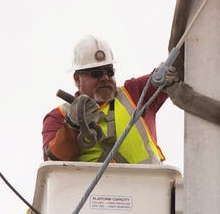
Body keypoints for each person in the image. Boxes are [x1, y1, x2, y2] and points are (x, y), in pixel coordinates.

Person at [43, 35, 168, 164]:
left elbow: (172, 71)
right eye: (95, 73)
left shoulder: (134, 93)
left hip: (150, 182)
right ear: (77, 79)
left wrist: (169, 73)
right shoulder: (59, 116)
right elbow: (53, 164)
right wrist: (72, 125)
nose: (105, 78)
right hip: (98, 184)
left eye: (109, 72)